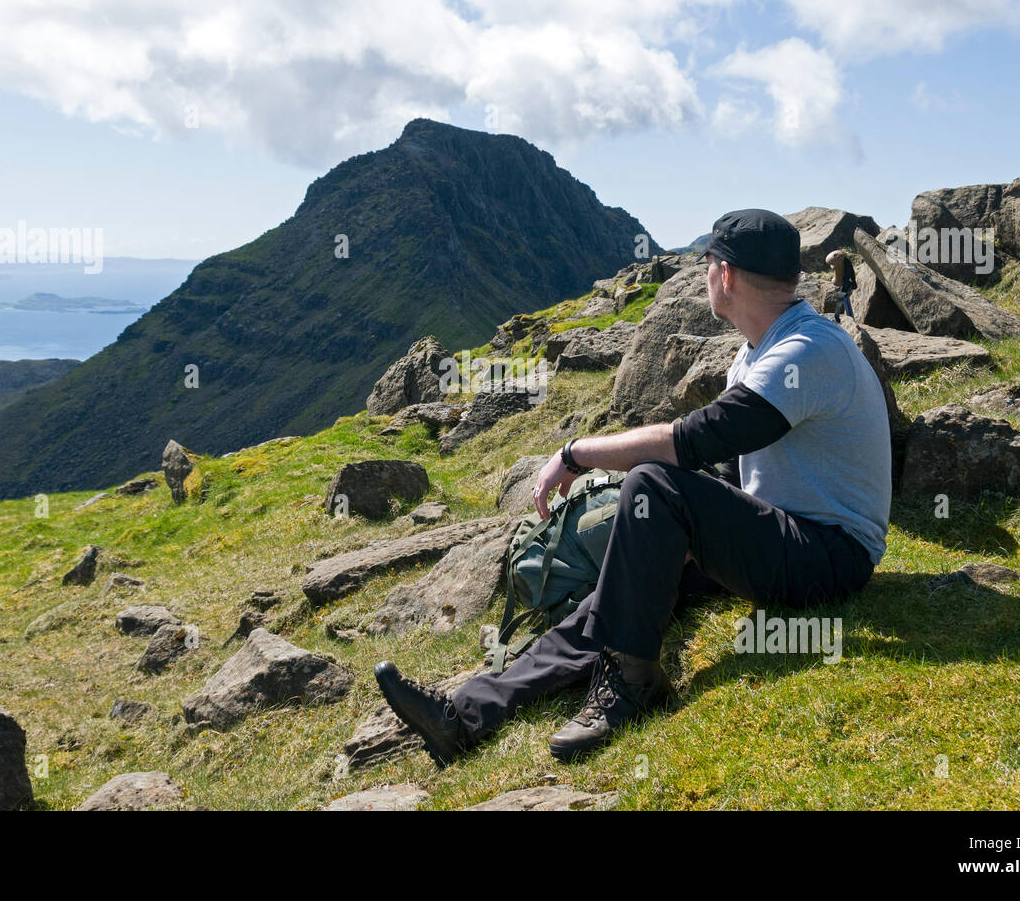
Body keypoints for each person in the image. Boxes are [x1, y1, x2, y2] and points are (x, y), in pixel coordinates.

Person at [374, 209, 892, 765]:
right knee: (619, 595)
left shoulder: (807, 352)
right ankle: (466, 714)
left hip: (830, 556)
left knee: (653, 485)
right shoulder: (759, 349)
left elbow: (697, 440)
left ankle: (635, 686)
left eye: (710, 264)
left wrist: (575, 454)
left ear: (727, 277)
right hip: (779, 538)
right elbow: (729, 472)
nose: (707, 275)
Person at [826, 248, 856, 319]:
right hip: (844, 283)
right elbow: (852, 273)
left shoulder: (846, 266)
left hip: (845, 285)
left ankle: (847, 318)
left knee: (841, 299)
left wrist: (853, 282)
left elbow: (851, 274)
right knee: (841, 300)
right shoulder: (847, 263)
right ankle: (843, 317)